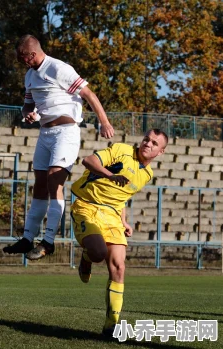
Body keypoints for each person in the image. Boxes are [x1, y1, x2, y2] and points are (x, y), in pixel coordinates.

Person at [3, 34, 115, 260]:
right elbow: (26, 107)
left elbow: (88, 94)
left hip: (66, 132)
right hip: (45, 133)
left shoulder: (58, 68)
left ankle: (49, 241)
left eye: (22, 57)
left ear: (32, 54)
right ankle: (27, 238)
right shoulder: (29, 76)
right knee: (40, 185)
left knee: (55, 180)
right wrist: (29, 114)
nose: (20, 61)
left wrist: (104, 122)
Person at [70, 129, 168, 337]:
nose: (148, 144)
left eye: (154, 143)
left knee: (119, 267)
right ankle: (87, 257)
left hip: (113, 216)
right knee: (98, 252)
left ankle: (111, 324)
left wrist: (124, 221)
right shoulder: (121, 150)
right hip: (88, 206)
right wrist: (111, 175)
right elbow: (88, 161)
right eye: (146, 139)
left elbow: (122, 196)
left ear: (161, 152)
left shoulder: (147, 174)